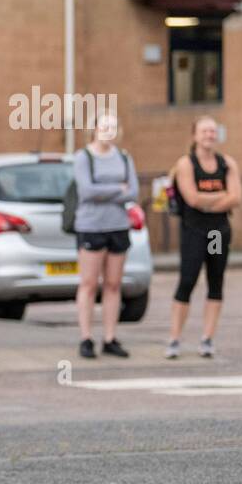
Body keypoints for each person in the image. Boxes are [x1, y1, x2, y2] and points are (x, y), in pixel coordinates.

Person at [166, 115, 242, 359]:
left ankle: (207, 338)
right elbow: (192, 198)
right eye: (204, 131)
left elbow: (236, 197)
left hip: (217, 232)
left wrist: (207, 201)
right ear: (195, 135)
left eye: (212, 131)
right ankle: (175, 338)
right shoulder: (186, 164)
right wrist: (219, 197)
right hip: (194, 231)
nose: (209, 135)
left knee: (215, 280)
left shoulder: (226, 163)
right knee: (187, 281)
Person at [72, 114, 138, 359]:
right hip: (91, 226)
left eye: (113, 127)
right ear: (95, 129)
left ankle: (110, 338)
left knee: (113, 284)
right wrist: (115, 189)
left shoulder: (124, 157)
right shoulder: (83, 157)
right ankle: (86, 337)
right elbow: (86, 192)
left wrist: (108, 192)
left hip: (118, 225)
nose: (108, 131)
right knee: (89, 283)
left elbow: (132, 191)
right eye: (104, 126)